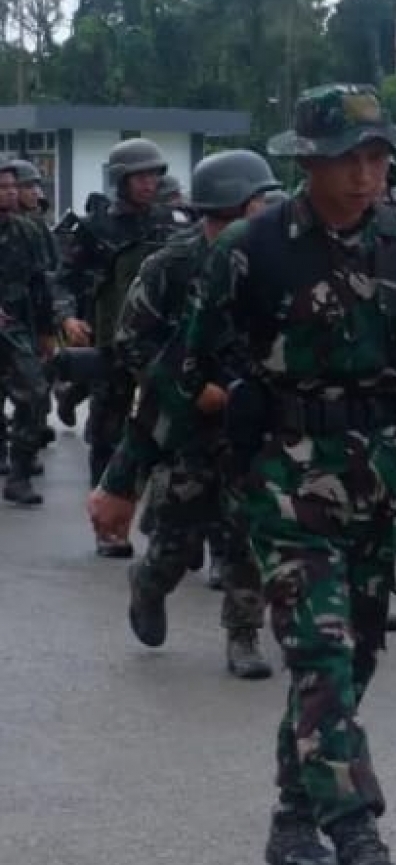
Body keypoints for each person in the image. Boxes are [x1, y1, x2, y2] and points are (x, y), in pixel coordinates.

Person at [89, 85, 396, 865]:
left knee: (355, 657)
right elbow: (180, 371)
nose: (368, 174)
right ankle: (356, 831)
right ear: (310, 160)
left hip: (380, 482)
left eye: (379, 157)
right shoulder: (252, 251)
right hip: (283, 482)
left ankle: (292, 816)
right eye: (351, 158)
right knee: (320, 651)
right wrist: (123, 479)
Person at [99, 150, 284, 680]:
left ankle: (243, 634)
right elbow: (132, 343)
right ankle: (150, 582)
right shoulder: (171, 266)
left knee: (246, 530)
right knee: (177, 538)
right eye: (258, 201)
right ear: (236, 205)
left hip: (252, 423)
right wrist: (192, 387)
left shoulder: (270, 263)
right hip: (189, 424)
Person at [56, 138, 181, 513]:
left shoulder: (171, 221)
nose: (148, 184)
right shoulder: (95, 227)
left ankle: (162, 516)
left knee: (169, 432)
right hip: (114, 344)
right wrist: (67, 316)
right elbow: (63, 278)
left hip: (164, 344)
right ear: (121, 180)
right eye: (139, 176)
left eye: (153, 176)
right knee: (108, 433)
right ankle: (105, 510)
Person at [0, 159, 54, 507]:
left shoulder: (28, 231)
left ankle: (19, 472)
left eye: (11, 187)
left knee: (34, 393)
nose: (9, 193)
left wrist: (50, 330)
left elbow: (45, 281)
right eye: (2, 188)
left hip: (18, 328)